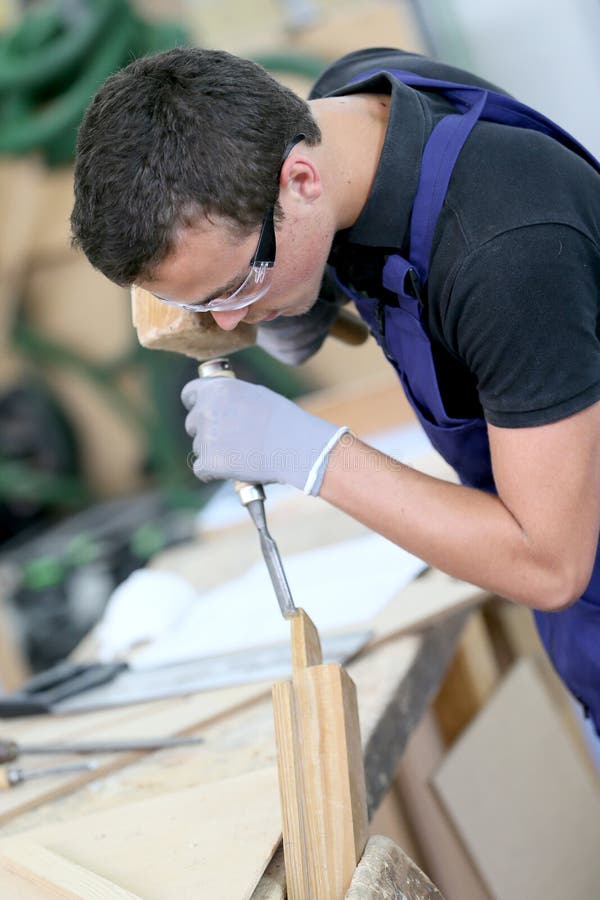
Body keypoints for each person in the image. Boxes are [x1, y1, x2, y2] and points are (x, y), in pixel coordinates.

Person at [70, 47, 600, 735]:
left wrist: (317, 457)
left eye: (231, 289)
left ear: (300, 180)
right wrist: (300, 288)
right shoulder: (344, 110)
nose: (226, 322)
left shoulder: (504, 254)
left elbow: (547, 563)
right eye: (205, 305)